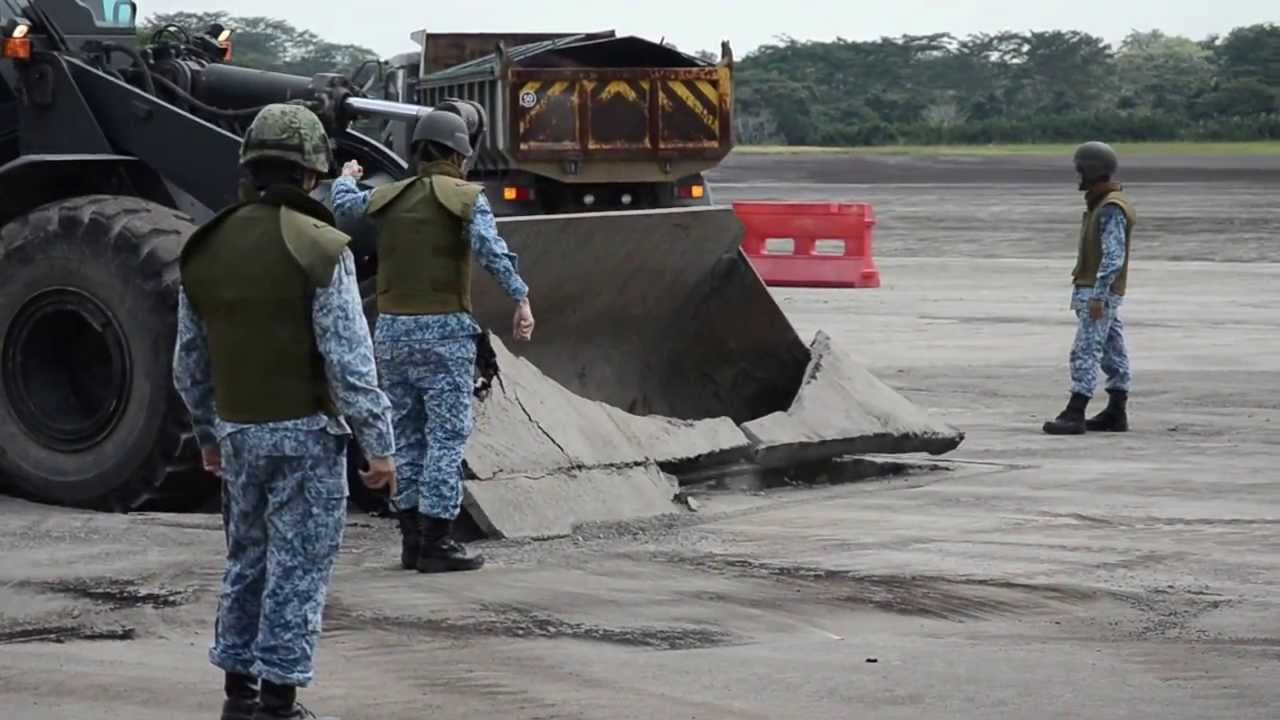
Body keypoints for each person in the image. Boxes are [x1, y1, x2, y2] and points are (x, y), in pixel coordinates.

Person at [173, 103, 396, 720]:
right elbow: (349, 360)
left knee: (245, 561)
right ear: (312, 174)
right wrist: (379, 446)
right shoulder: (320, 246)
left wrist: (208, 435)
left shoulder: (204, 247)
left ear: (249, 166)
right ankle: (279, 705)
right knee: (297, 570)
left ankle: (238, 698)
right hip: (307, 439)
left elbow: (188, 364)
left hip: (238, 435)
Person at [332, 108, 533, 574]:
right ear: (460, 153)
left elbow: (344, 205)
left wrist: (346, 176)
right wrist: (520, 297)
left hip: (392, 334)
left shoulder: (388, 196)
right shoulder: (466, 197)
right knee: (446, 437)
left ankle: (411, 541)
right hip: (445, 336)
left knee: (405, 436)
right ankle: (437, 542)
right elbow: (490, 250)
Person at [1043, 141, 1136, 435]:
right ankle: (1116, 411)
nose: (1079, 176)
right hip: (1102, 291)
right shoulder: (1104, 204)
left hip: (1098, 292)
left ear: (1093, 171)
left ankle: (1075, 411)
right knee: (1112, 349)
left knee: (1085, 349)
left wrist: (1098, 295)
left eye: (1081, 170)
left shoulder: (1110, 208)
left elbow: (1113, 257)